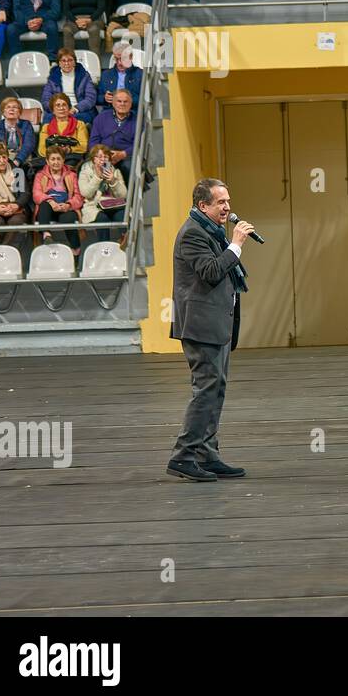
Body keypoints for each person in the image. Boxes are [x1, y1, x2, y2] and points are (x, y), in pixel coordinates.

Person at [165, 178, 254, 481]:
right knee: (205, 390)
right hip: (200, 325)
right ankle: (183, 455)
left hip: (216, 323)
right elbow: (212, 272)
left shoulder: (210, 231)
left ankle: (206, 453)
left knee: (216, 389)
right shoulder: (193, 234)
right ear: (203, 205)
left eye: (228, 201)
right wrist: (237, 245)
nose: (227, 208)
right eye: (220, 202)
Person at [32, 143, 81, 254]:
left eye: (59, 159)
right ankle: (47, 235)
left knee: (69, 219)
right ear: (47, 161)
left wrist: (68, 205)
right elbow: (36, 194)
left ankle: (76, 251)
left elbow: (78, 196)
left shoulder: (72, 175)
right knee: (44, 205)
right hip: (49, 207)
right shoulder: (40, 175)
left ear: (63, 160)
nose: (56, 162)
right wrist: (50, 201)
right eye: (52, 159)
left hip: (65, 206)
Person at [77, 142, 127, 249]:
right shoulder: (85, 172)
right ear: (93, 159)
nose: (103, 159)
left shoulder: (115, 171)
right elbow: (85, 193)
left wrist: (113, 181)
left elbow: (123, 195)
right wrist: (97, 178)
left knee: (122, 215)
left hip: (113, 205)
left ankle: (125, 239)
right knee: (102, 219)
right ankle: (104, 248)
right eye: (99, 157)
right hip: (94, 206)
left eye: (105, 157)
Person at [88, 89, 136, 184]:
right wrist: (102, 155)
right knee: (94, 167)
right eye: (119, 101)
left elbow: (139, 144)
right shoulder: (101, 117)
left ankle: (126, 197)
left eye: (125, 101)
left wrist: (123, 154)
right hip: (104, 155)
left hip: (126, 156)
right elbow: (93, 141)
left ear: (131, 103)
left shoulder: (138, 120)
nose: (122, 104)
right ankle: (101, 196)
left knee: (129, 166)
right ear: (113, 103)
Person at [41, 47, 97, 125]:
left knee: (83, 118)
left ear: (74, 62)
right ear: (59, 63)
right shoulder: (53, 77)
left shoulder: (84, 75)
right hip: (58, 110)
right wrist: (57, 109)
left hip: (79, 111)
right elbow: (45, 99)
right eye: (63, 61)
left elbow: (91, 98)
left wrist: (76, 108)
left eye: (70, 60)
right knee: (47, 119)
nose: (67, 63)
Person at [37, 92, 87, 165]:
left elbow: (84, 146)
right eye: (58, 105)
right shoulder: (46, 127)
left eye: (64, 105)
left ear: (69, 108)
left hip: (71, 159)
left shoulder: (79, 124)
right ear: (53, 110)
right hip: (51, 161)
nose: (61, 108)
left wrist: (69, 149)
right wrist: (56, 153)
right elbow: (41, 150)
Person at [0, 97, 36, 168]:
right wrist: (3, 160)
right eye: (8, 107)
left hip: (22, 159)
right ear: (3, 111)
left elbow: (28, 145)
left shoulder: (26, 124)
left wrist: (17, 160)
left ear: (19, 112)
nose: (11, 109)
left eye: (15, 107)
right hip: (2, 159)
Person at [99, 40, 143, 112]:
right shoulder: (106, 74)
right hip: (110, 111)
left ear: (130, 57)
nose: (119, 63)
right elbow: (97, 97)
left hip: (132, 112)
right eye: (117, 59)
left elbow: (144, 100)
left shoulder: (139, 74)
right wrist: (104, 98)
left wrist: (126, 100)